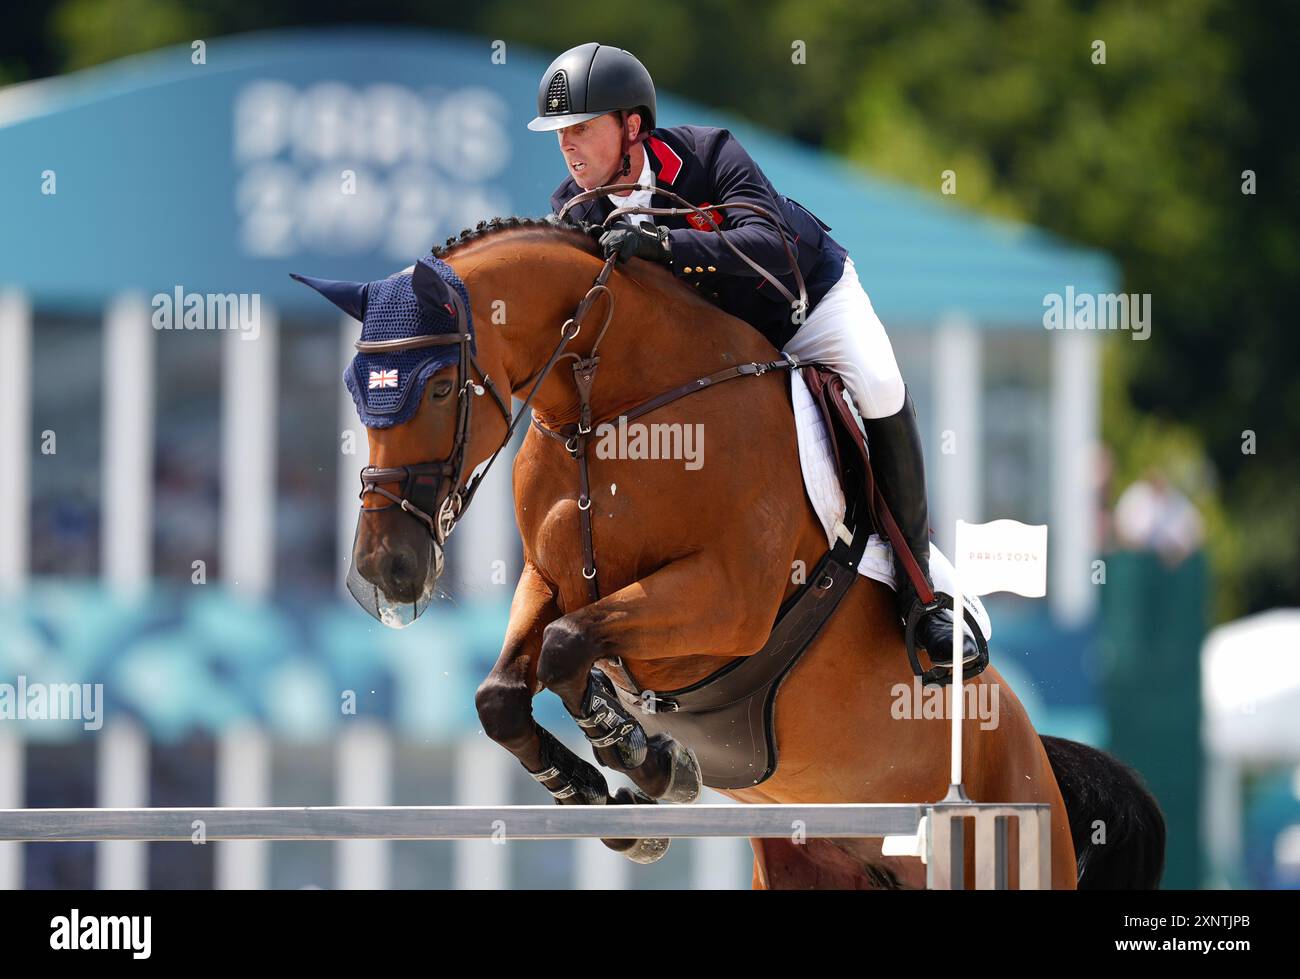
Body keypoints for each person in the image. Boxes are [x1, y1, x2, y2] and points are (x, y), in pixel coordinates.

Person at [527, 42, 977, 667]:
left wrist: (663, 242)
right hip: (722, 351)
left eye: (581, 128)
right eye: (559, 135)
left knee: (878, 386)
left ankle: (923, 596)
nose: (569, 147)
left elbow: (766, 246)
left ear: (632, 126)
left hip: (806, 306)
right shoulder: (574, 213)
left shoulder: (708, 154)